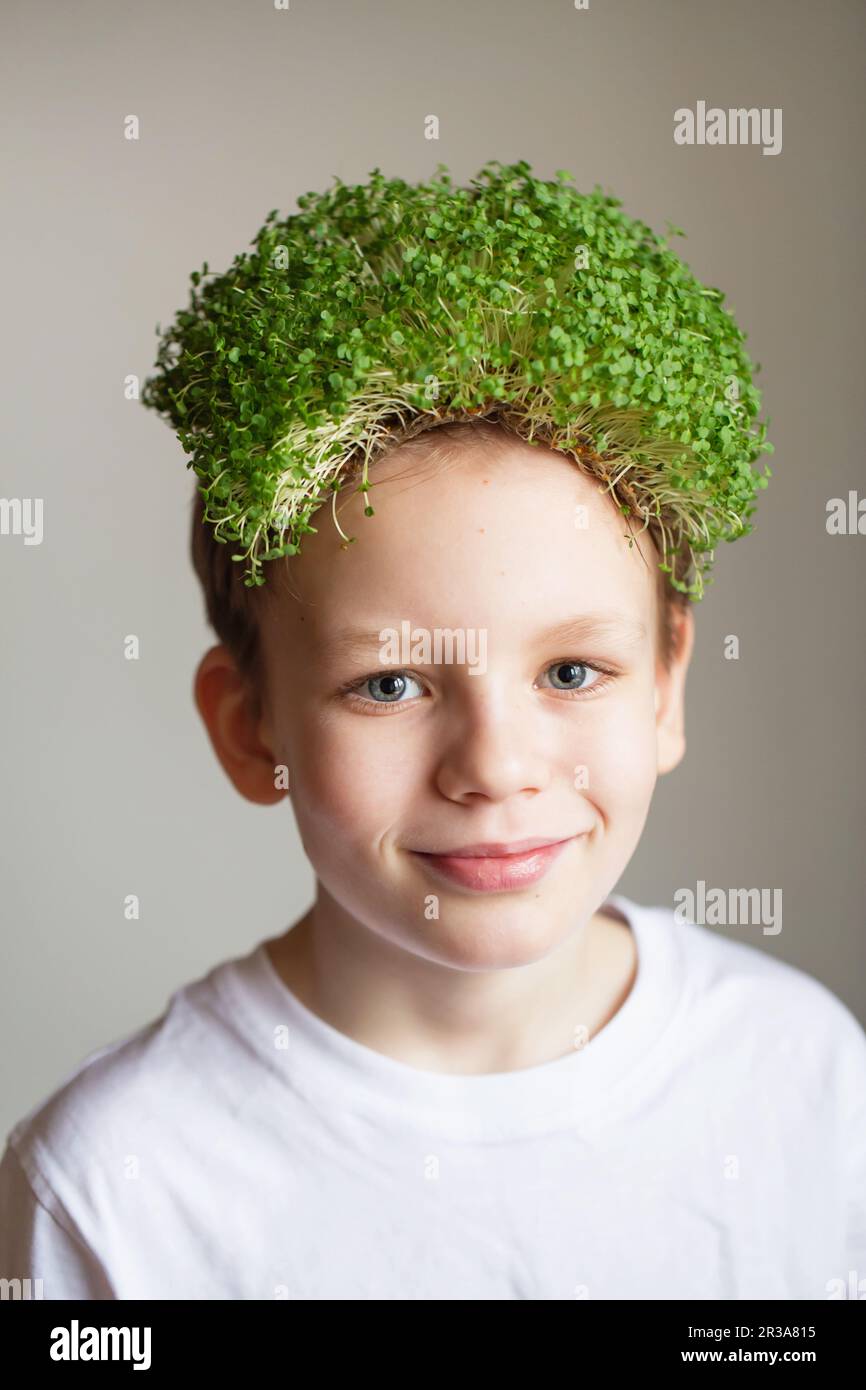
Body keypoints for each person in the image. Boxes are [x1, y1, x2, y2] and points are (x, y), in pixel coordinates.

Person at [1, 161, 862, 1301]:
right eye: (390, 685)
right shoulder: (116, 1186)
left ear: (663, 689)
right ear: (247, 724)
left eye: (570, 669)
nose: (495, 767)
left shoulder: (802, 1074)